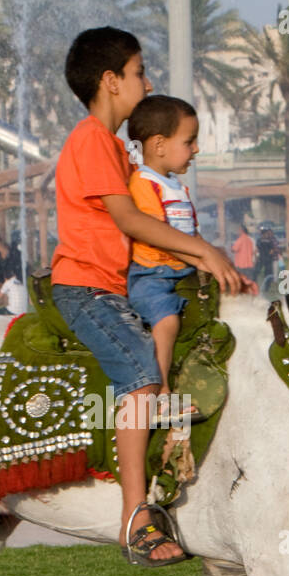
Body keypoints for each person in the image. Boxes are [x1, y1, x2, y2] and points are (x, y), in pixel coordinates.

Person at [51, 26, 242, 566]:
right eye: (138, 72)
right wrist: (204, 252)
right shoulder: (91, 138)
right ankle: (136, 517)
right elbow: (129, 218)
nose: (147, 80)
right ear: (111, 81)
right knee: (140, 379)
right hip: (87, 287)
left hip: (115, 285)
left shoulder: (113, 146)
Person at [125, 93, 212, 416]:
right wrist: (201, 259)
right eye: (189, 142)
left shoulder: (174, 185)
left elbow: (191, 235)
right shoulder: (144, 183)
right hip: (153, 275)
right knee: (167, 321)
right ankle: (159, 394)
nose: (196, 149)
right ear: (159, 145)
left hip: (179, 272)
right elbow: (160, 236)